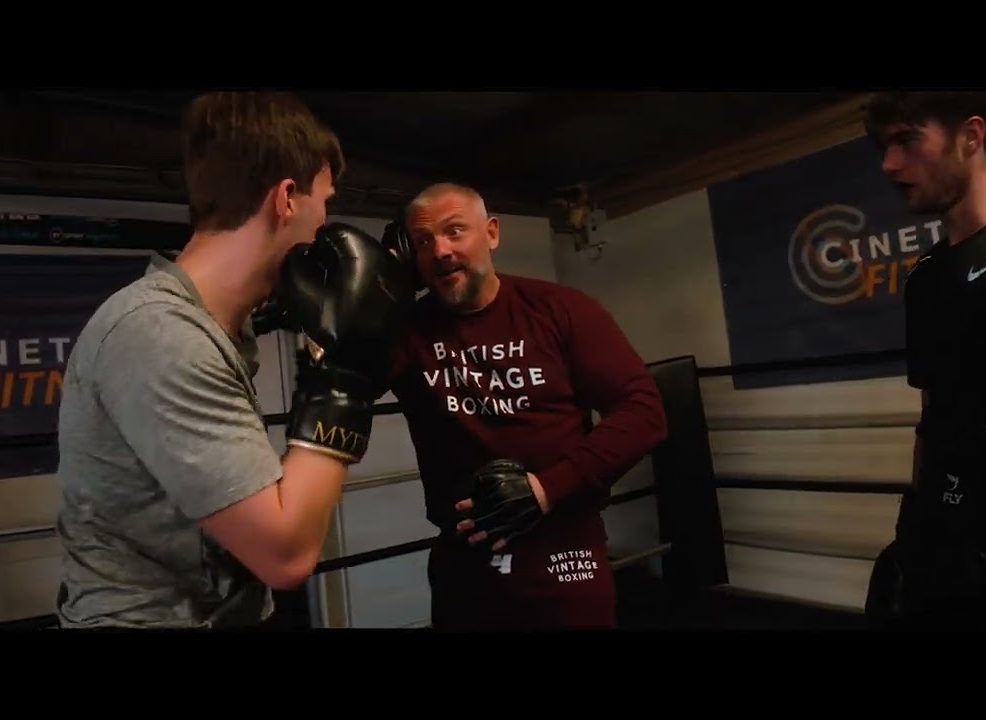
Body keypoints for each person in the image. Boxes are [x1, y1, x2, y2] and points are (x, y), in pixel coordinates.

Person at [53, 91, 415, 629]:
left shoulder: (216, 326)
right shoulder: (164, 335)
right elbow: (285, 554)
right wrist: (343, 378)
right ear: (287, 198)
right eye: (326, 202)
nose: (326, 224)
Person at [379, 182, 669, 630]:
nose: (440, 250)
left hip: (563, 556)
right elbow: (345, 393)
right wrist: (370, 304)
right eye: (423, 242)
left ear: (491, 233)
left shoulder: (558, 309)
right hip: (464, 568)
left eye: (455, 231)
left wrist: (547, 488)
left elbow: (644, 410)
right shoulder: (407, 333)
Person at [862, 91, 986, 629]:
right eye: (884, 146)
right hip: (947, 540)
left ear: (970, 136)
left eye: (906, 141)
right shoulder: (925, 277)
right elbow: (933, 414)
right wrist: (914, 529)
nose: (889, 164)